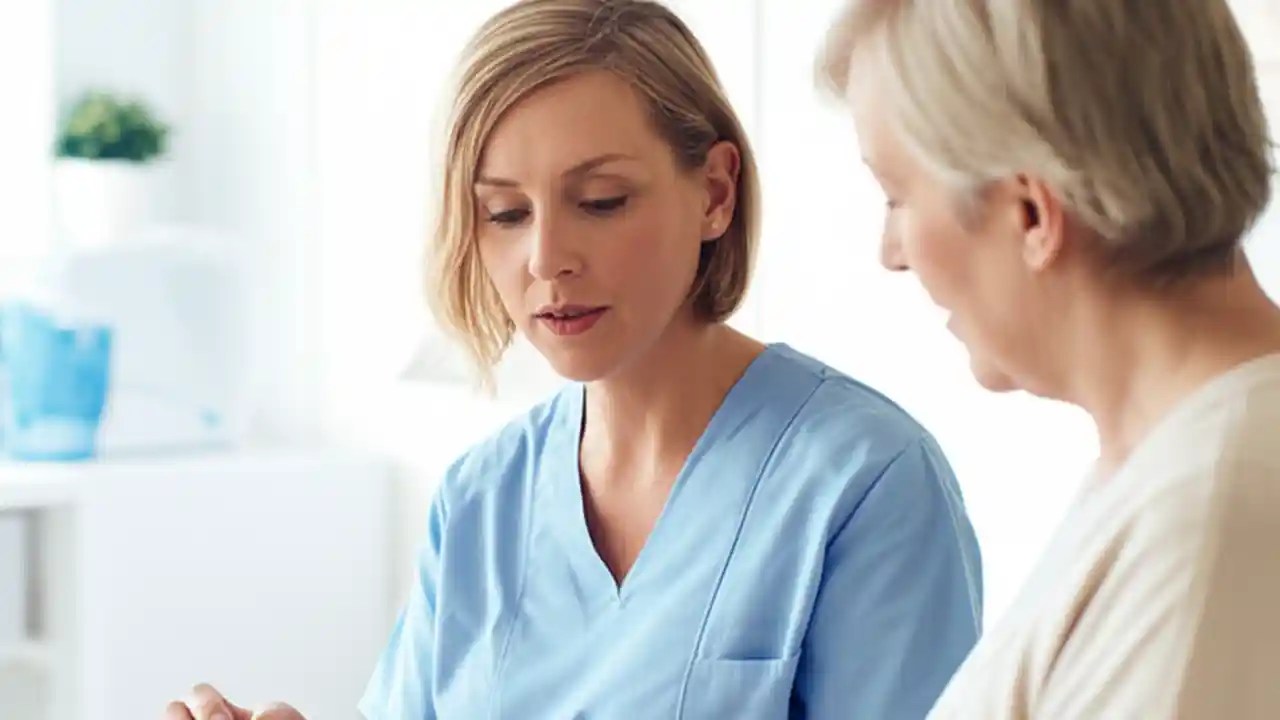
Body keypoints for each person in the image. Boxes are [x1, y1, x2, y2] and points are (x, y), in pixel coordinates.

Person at [165, 1, 982, 719]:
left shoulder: (865, 485)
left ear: (715, 193)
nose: (547, 258)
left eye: (600, 202)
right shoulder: (481, 500)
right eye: (505, 213)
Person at [819, 1, 1280, 717]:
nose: (892, 253)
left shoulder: (1210, 523)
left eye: (897, 197)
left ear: (1031, 214)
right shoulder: (1174, 467)